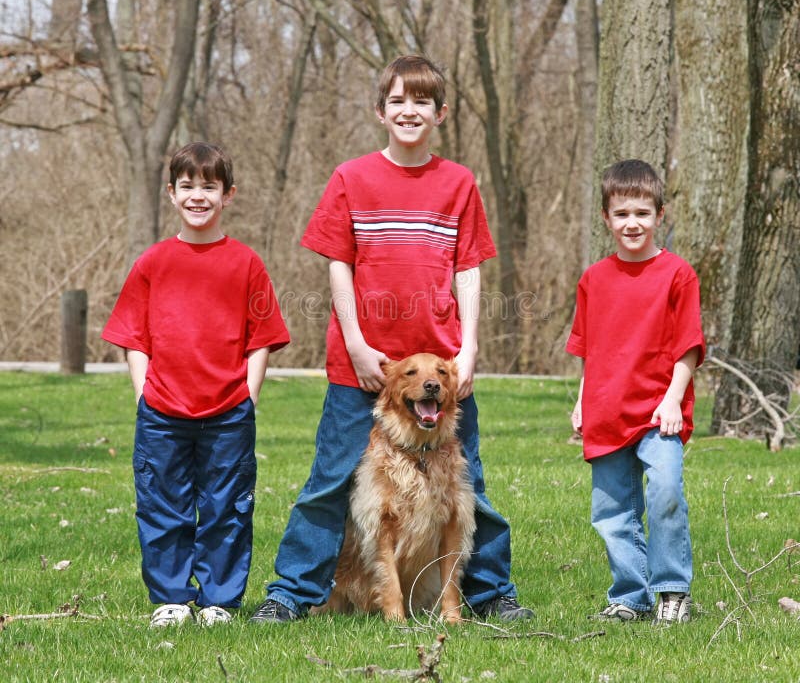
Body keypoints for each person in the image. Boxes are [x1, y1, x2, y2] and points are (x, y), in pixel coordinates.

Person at [251, 54, 532, 624]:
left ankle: (489, 592)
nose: (410, 110)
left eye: (421, 101)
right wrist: (354, 340)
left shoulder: (458, 183)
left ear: (441, 113)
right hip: (364, 367)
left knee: (466, 486)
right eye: (398, 101)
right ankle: (292, 593)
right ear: (381, 111)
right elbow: (338, 264)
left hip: (441, 365)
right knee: (329, 481)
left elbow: (468, 269)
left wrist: (469, 349)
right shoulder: (351, 178)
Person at [102, 142, 290, 628]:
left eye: (209, 186)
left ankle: (219, 602)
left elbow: (262, 338)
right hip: (162, 414)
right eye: (188, 186)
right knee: (163, 507)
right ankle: (170, 598)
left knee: (227, 508)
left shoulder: (246, 263)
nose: (198, 196)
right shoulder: (153, 262)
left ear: (229, 195)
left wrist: (249, 395)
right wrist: (143, 392)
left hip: (228, 413)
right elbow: (132, 336)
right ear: (171, 193)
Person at [566, 158, 705, 624]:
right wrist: (582, 399)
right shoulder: (593, 279)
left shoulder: (678, 275)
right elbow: (590, 347)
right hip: (605, 409)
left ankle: (672, 591)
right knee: (611, 513)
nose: (632, 223)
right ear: (606, 218)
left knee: (666, 491)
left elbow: (689, 347)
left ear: (659, 216)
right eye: (622, 213)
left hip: (657, 411)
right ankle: (630, 595)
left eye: (642, 213)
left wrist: (672, 399)